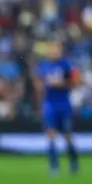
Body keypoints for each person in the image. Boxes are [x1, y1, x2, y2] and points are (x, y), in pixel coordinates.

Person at [35, 41, 79, 176]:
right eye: (52, 51)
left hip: (63, 103)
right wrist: (40, 104)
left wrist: (62, 84)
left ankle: (73, 162)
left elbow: (75, 83)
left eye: (57, 51)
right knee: (51, 135)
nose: (54, 53)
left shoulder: (66, 65)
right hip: (50, 104)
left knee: (67, 136)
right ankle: (54, 166)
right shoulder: (44, 66)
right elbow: (39, 86)